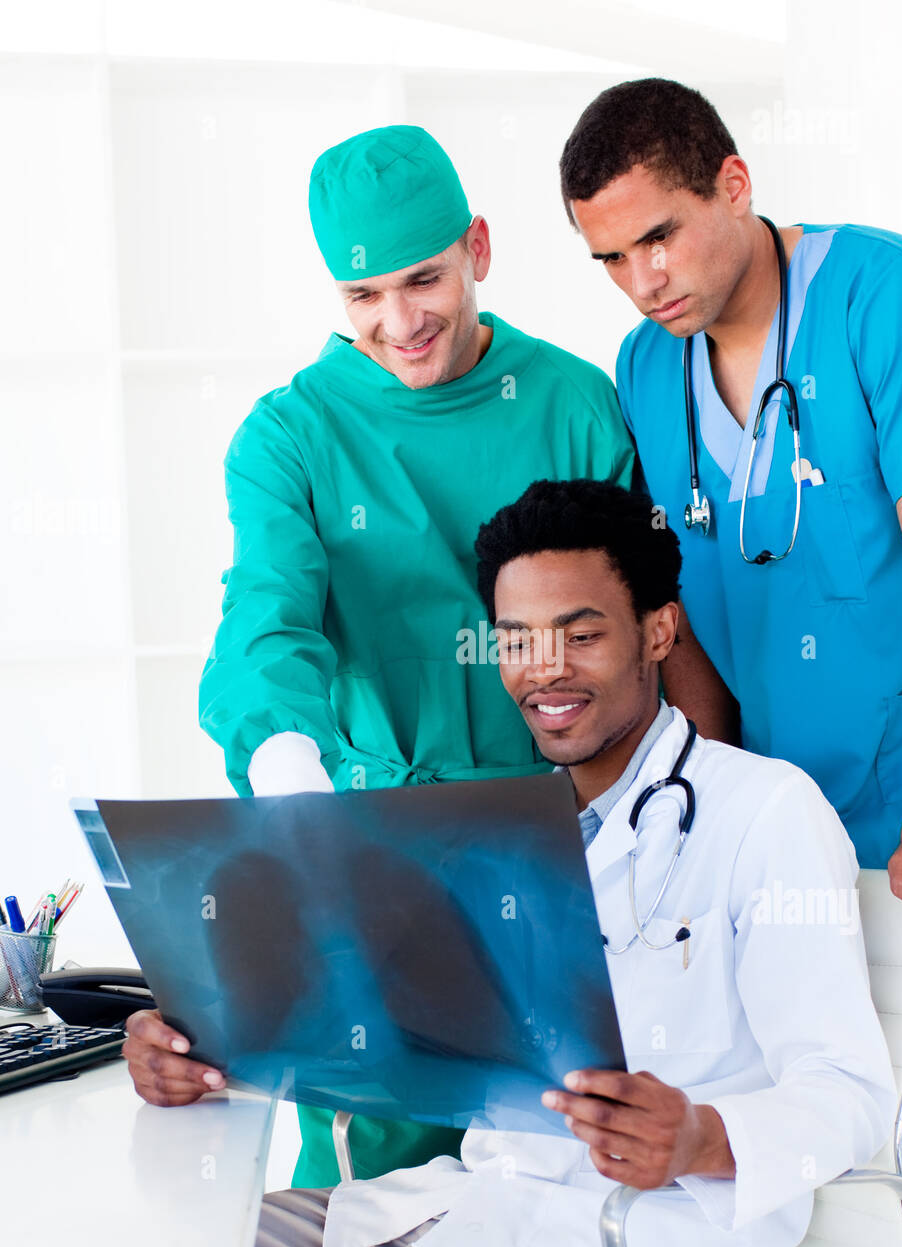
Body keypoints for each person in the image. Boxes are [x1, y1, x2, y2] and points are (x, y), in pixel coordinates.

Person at [557, 77, 902, 1247]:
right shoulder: (646, 368)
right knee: (754, 1151)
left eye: (661, 235)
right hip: (768, 814)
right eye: (611, 257)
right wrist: (684, 818)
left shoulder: (897, 301)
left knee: (882, 1159)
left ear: (734, 183)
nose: (644, 281)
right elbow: (695, 633)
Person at [213, 477, 891, 1247]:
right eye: (517, 639)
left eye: (580, 635)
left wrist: (699, 1140)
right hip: (467, 1205)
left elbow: (848, 1096)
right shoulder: (506, 831)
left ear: (657, 631)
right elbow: (398, 1037)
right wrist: (213, 1053)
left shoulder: (764, 811)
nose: (545, 672)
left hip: (623, 1244)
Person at [195, 124, 651, 1190]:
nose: (400, 323)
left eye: (424, 280)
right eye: (364, 299)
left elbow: (636, 632)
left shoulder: (572, 404)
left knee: (557, 1178)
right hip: (376, 864)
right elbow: (267, 617)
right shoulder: (292, 436)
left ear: (478, 249)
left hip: (565, 856)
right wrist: (291, 781)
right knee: (368, 1204)